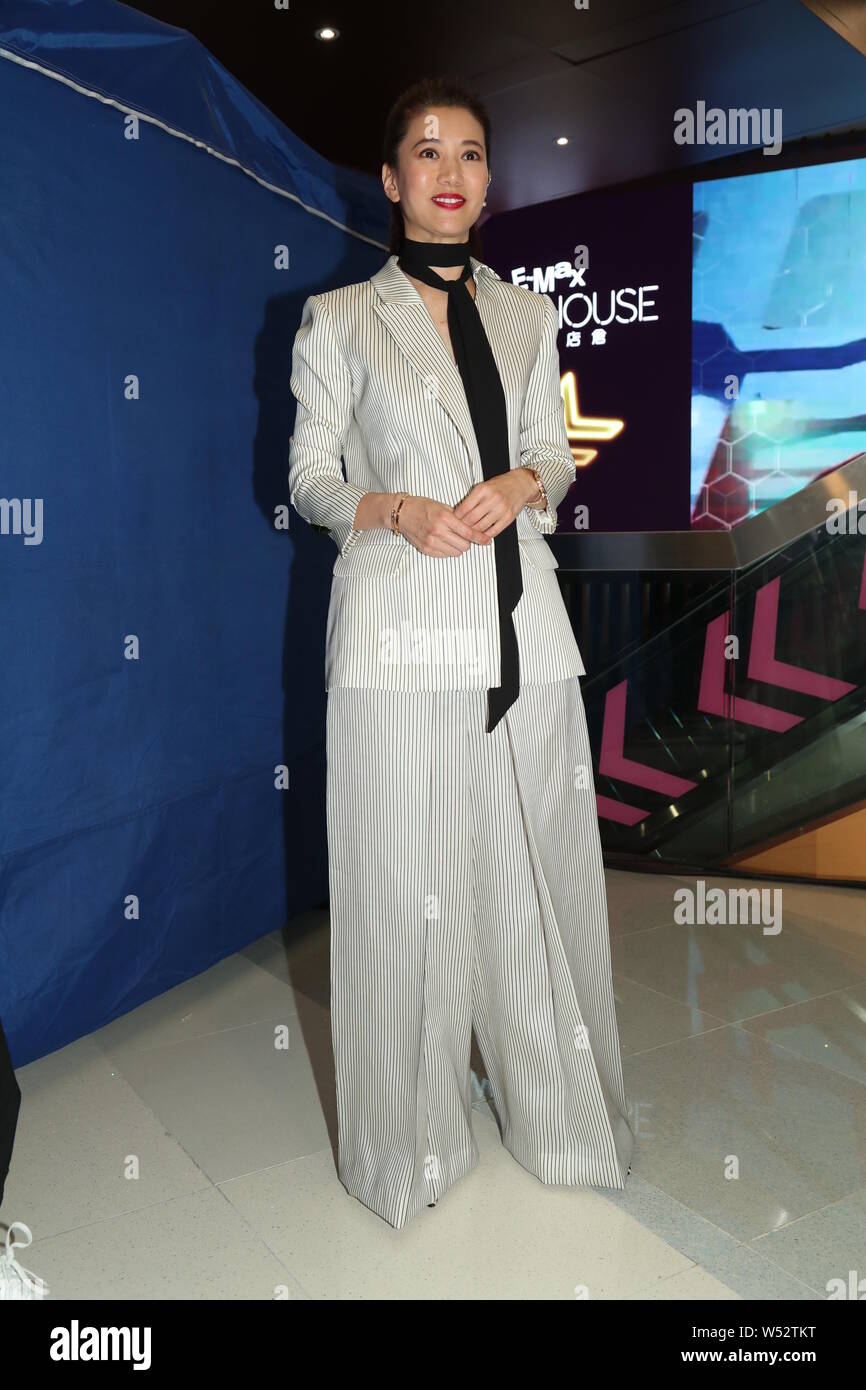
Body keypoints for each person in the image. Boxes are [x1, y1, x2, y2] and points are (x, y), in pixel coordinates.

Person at [288, 76, 634, 1229]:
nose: (451, 169)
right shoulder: (337, 321)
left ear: (488, 180)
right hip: (395, 636)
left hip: (524, 631)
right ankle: (407, 1148)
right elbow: (306, 480)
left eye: (472, 152)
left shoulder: (529, 313)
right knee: (403, 891)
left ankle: (564, 1118)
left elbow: (555, 450)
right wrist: (392, 508)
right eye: (426, 151)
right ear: (389, 183)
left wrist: (526, 479)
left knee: (540, 883)